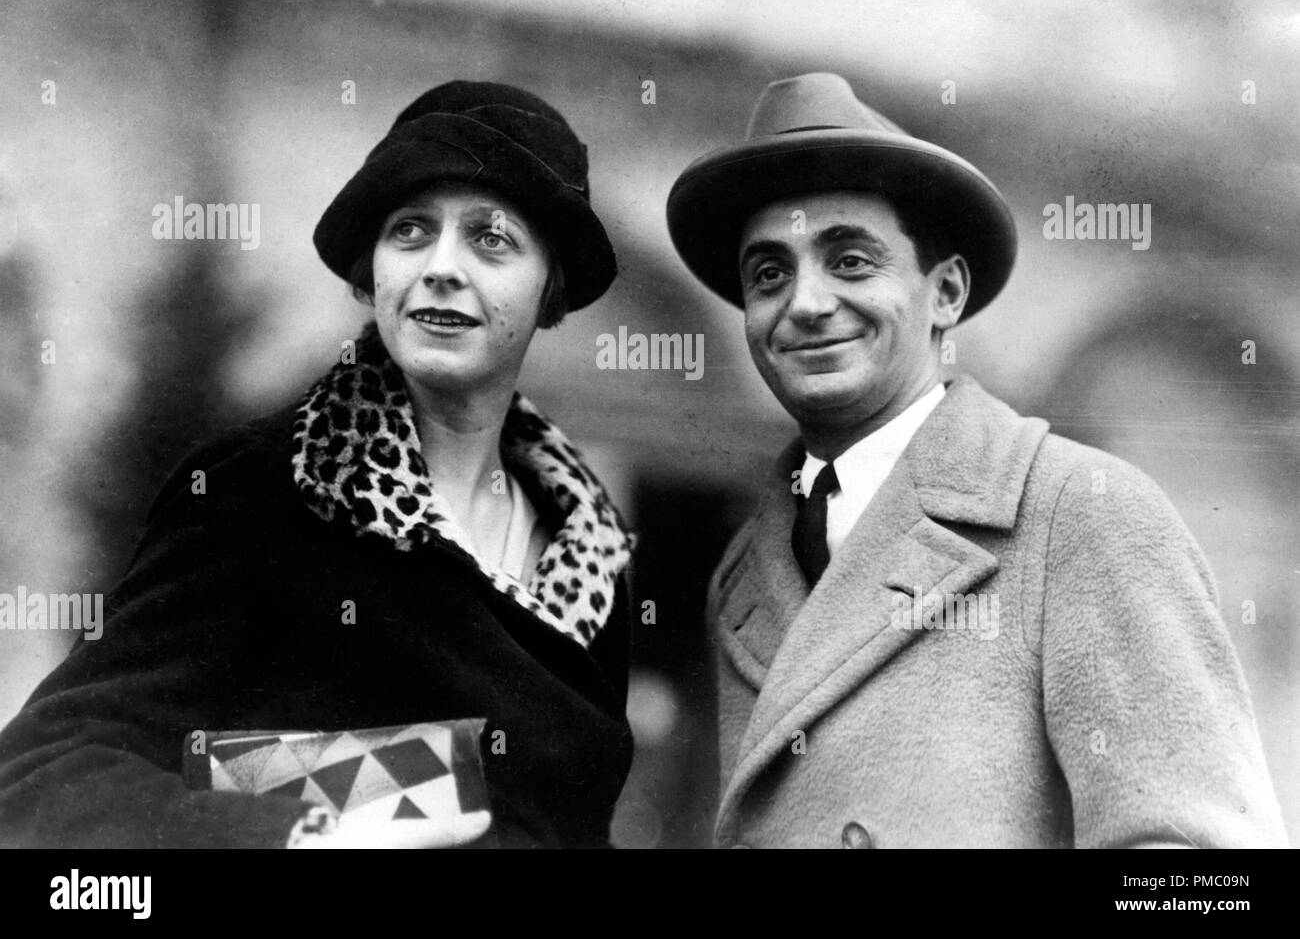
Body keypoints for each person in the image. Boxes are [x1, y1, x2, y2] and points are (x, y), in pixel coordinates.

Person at [0, 81, 635, 848]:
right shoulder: (262, 486)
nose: (441, 266)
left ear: (551, 289)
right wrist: (318, 828)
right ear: (371, 273)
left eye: (491, 238)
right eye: (409, 232)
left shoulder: (592, 557)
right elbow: (48, 770)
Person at [666, 71, 1287, 849]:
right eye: (769, 273)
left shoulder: (1078, 511)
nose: (806, 302)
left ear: (947, 292)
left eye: (851, 260)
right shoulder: (745, 573)